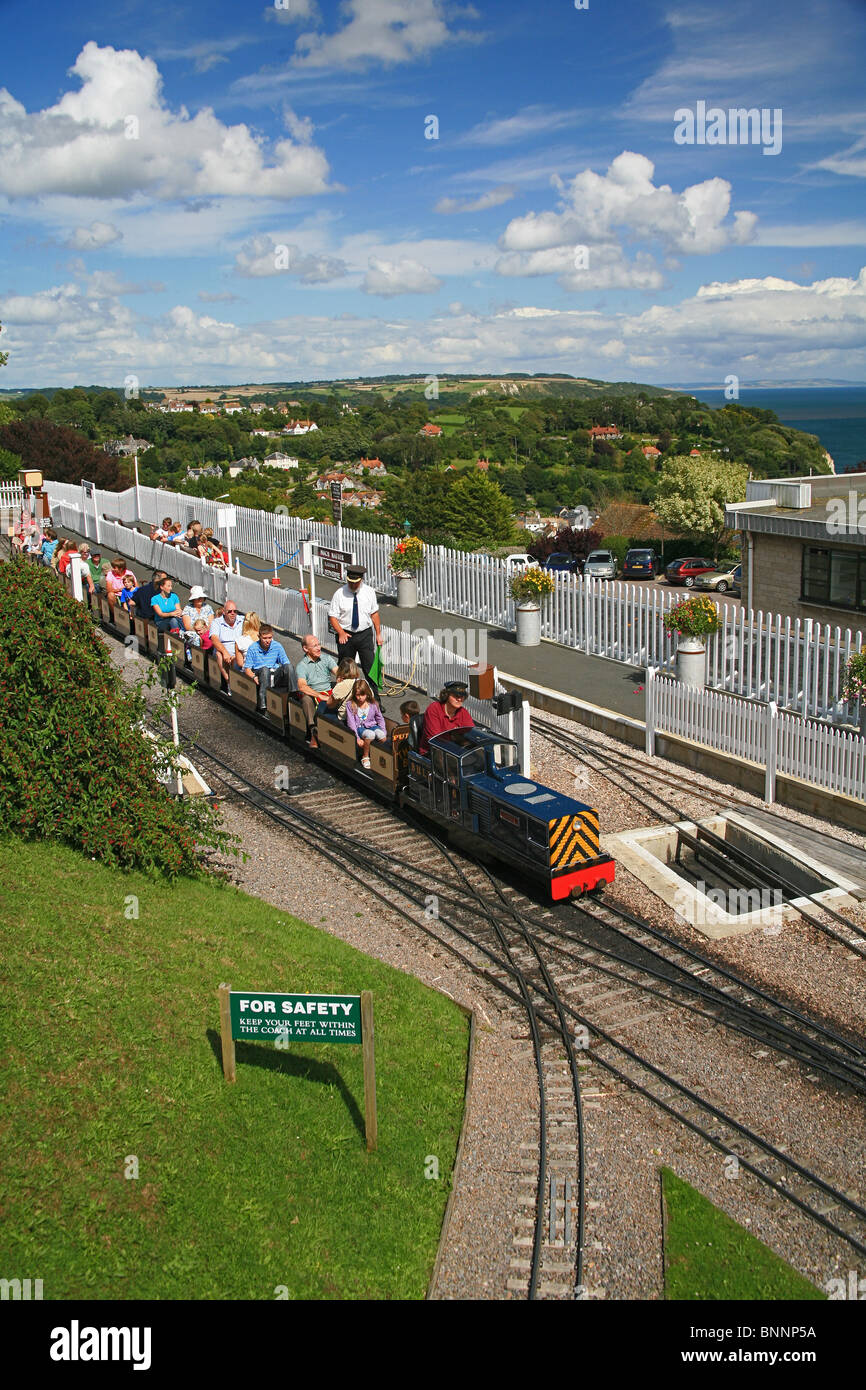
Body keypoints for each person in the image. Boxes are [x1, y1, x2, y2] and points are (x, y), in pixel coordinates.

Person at [327, 565, 383, 679]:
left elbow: (374, 614)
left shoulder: (369, 592)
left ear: (361, 580)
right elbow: (332, 616)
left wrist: (378, 634)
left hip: (364, 635)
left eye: (355, 583)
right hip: (346, 635)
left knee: (370, 666)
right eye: (350, 582)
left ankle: (374, 696)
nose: (352, 585)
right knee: (346, 668)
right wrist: (341, 632)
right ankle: (346, 693)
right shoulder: (339, 593)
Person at [295, 633, 338, 747]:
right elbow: (302, 686)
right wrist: (320, 696)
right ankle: (313, 730)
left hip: (329, 692)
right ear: (305, 648)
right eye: (314, 646)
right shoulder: (302, 666)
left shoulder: (327, 659)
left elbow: (339, 673)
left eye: (319, 645)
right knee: (305, 699)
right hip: (314, 694)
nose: (319, 648)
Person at [243, 624, 296, 710]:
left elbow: (286, 663)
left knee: (289, 667)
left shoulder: (277, 646)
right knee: (265, 670)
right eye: (265, 638)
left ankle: (294, 695)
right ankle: (263, 700)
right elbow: (247, 668)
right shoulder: (253, 648)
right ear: (259, 637)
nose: (267, 641)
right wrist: (253, 677)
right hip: (260, 673)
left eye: (269, 638)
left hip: (274, 673)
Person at [419, 681, 474, 755]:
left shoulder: (463, 712)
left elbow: (471, 734)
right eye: (456, 696)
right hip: (432, 752)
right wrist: (456, 738)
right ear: (446, 695)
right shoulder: (434, 709)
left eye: (462, 696)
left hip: (456, 750)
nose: (459, 699)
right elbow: (435, 739)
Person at [345, 679, 387, 769]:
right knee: (370, 734)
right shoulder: (350, 705)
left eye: (362, 695)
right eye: (357, 695)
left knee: (382, 735)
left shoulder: (373, 704)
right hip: (360, 728)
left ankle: (376, 754)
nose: (360, 697)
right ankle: (365, 756)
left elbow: (380, 718)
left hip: (372, 725)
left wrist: (383, 730)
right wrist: (357, 738)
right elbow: (351, 723)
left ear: (367, 694)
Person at [209, 601, 244, 685]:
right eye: (229, 611)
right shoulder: (217, 622)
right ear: (224, 612)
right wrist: (225, 652)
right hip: (225, 653)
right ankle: (229, 682)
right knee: (219, 654)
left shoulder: (242, 620)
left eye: (235, 611)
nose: (233, 613)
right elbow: (214, 639)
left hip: (239, 652)